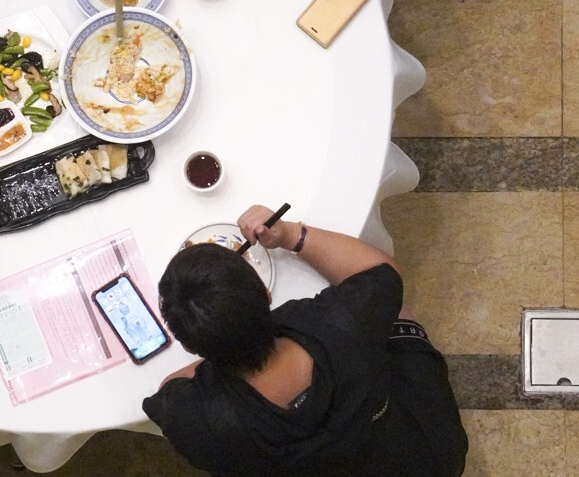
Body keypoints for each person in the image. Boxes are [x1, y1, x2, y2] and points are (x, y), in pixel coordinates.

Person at [143, 204, 468, 476]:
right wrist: (291, 235)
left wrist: (222, 343)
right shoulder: (335, 324)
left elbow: (169, 388)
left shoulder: (197, 419)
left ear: (189, 346)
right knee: (398, 314)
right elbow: (382, 273)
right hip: (426, 459)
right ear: (266, 294)